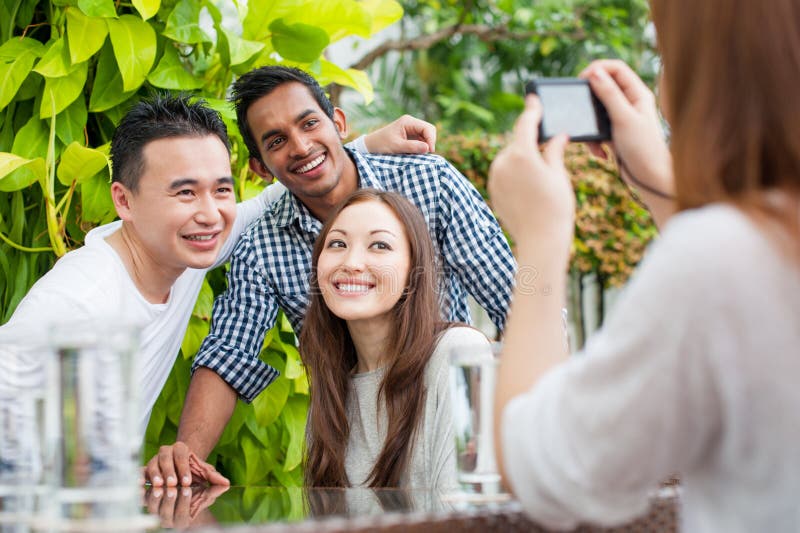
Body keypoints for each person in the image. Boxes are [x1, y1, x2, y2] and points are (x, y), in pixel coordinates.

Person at [489, 0, 800, 531]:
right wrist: (663, 188)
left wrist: (539, 244)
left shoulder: (719, 257)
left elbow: (548, 470)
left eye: (666, 53)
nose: (660, 89)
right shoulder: (738, 247)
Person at [145, 66, 516, 487]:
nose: (301, 147)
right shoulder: (264, 244)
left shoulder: (429, 181)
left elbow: (515, 302)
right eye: (277, 141)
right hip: (345, 430)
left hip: (444, 408)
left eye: (309, 123)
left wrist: (546, 433)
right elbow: (230, 353)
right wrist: (185, 459)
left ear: (338, 123)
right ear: (261, 167)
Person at [0, 94, 435, 441]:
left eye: (221, 189)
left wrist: (367, 143)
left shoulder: (184, 250)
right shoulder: (76, 303)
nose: (210, 214)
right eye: (185, 193)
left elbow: (276, 194)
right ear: (123, 200)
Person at [300, 189, 488, 489]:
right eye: (337, 243)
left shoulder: (458, 352)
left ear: (413, 270)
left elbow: (465, 513)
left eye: (379, 245)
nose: (352, 262)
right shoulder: (332, 386)